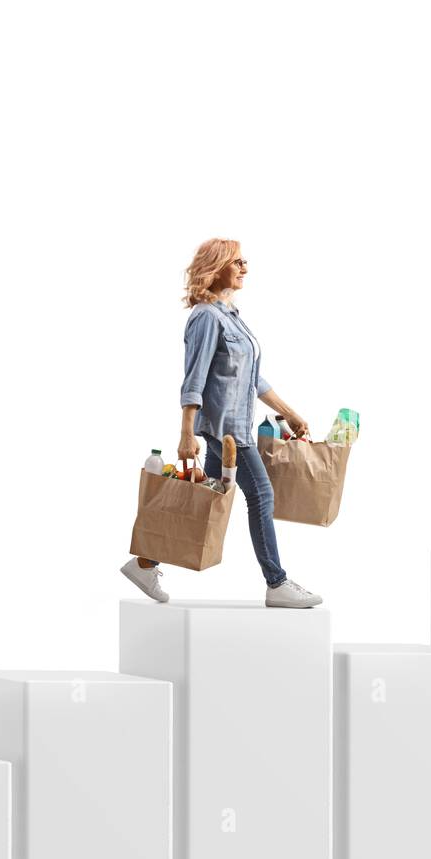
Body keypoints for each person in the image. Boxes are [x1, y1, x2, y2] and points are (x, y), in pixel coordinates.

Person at [121, 239, 323, 608]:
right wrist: (186, 433)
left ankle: (145, 564)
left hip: (238, 426)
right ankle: (276, 583)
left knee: (202, 502)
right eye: (236, 261)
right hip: (225, 430)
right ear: (216, 267)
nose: (245, 267)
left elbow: (253, 380)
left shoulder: (232, 316)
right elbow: (194, 379)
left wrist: (290, 412)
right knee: (261, 496)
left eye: (245, 261)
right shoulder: (205, 317)